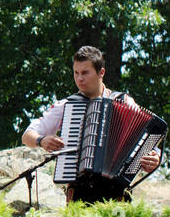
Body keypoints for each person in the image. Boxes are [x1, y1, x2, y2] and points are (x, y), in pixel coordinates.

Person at [24, 45, 161, 203]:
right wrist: (41, 140)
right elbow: (27, 135)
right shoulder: (67, 105)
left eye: (85, 73)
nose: (79, 78)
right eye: (76, 73)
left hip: (117, 195)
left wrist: (154, 158)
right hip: (79, 195)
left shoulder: (124, 101)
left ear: (101, 72)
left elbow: (147, 145)